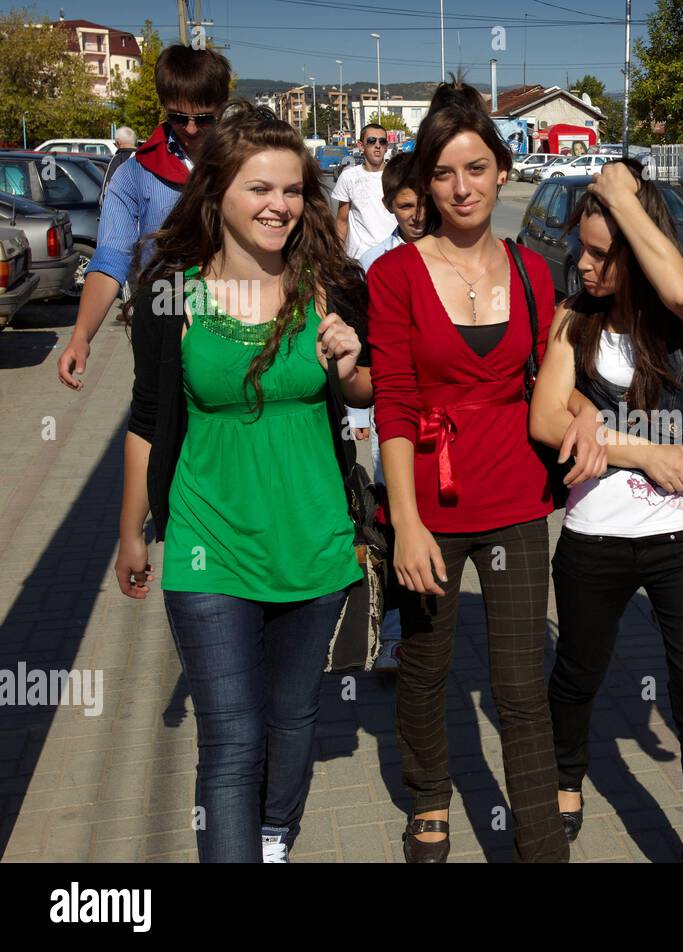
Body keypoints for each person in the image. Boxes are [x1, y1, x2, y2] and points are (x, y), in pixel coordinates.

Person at [115, 103, 373, 863]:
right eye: (260, 187)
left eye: (293, 191)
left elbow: (362, 401)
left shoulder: (329, 285)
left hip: (314, 542)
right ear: (218, 189)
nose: (279, 206)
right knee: (231, 738)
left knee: (293, 719)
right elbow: (148, 418)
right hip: (208, 548)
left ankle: (274, 836)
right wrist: (132, 531)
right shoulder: (172, 293)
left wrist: (353, 361)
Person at [367, 78, 603, 864]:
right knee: (427, 670)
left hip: (513, 500)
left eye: (475, 169)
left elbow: (552, 382)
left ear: (504, 170)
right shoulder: (394, 276)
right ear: (424, 183)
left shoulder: (535, 272)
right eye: (443, 173)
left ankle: (541, 845)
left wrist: (591, 416)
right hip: (428, 504)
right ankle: (429, 795)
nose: (461, 188)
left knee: (518, 689)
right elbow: (394, 404)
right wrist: (404, 521)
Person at [530, 158, 683, 863]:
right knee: (578, 674)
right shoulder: (573, 319)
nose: (581, 265)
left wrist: (622, 193)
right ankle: (564, 778)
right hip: (595, 536)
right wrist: (638, 452)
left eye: (600, 252)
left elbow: (679, 285)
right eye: (578, 248)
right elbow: (543, 421)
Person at [58, 44, 231, 389]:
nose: (192, 130)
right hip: (163, 318)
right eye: (179, 118)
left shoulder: (246, 163)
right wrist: (81, 334)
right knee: (154, 429)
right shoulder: (134, 172)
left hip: (237, 317)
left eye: (204, 118)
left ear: (222, 108)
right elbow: (111, 256)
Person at [352, 151, 427, 673]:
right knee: (395, 520)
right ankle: (395, 633)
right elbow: (364, 350)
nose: (418, 215)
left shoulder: (451, 255)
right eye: (406, 206)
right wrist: (362, 412)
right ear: (389, 207)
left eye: (424, 203)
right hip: (392, 411)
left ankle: (435, 623)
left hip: (445, 414)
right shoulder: (374, 263)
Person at [332, 122, 397, 260]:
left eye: (382, 141)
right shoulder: (348, 177)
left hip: (392, 255)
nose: (377, 145)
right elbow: (341, 221)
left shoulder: (398, 176)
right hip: (359, 258)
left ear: (386, 147)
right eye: (372, 141)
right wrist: (338, 257)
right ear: (361, 145)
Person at [99, 127, 138, 205]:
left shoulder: (117, 159)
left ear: (118, 142)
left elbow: (106, 190)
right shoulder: (145, 158)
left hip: (122, 212)